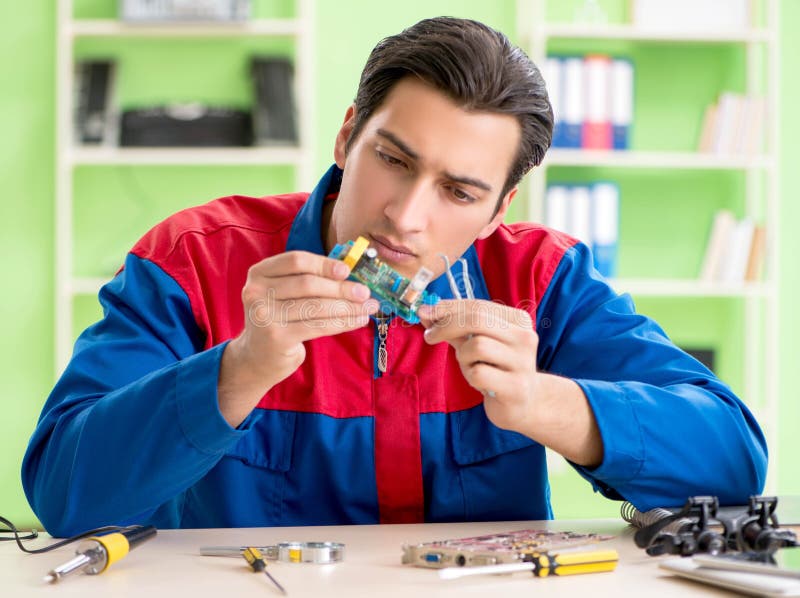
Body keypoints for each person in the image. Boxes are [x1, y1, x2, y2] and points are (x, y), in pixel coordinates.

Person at [23, 17, 766, 537]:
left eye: (460, 192)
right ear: (349, 135)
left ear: (500, 208)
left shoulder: (542, 277)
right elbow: (65, 494)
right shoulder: (193, 257)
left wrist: (547, 403)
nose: (406, 217)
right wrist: (239, 369)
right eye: (394, 161)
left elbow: (732, 461)